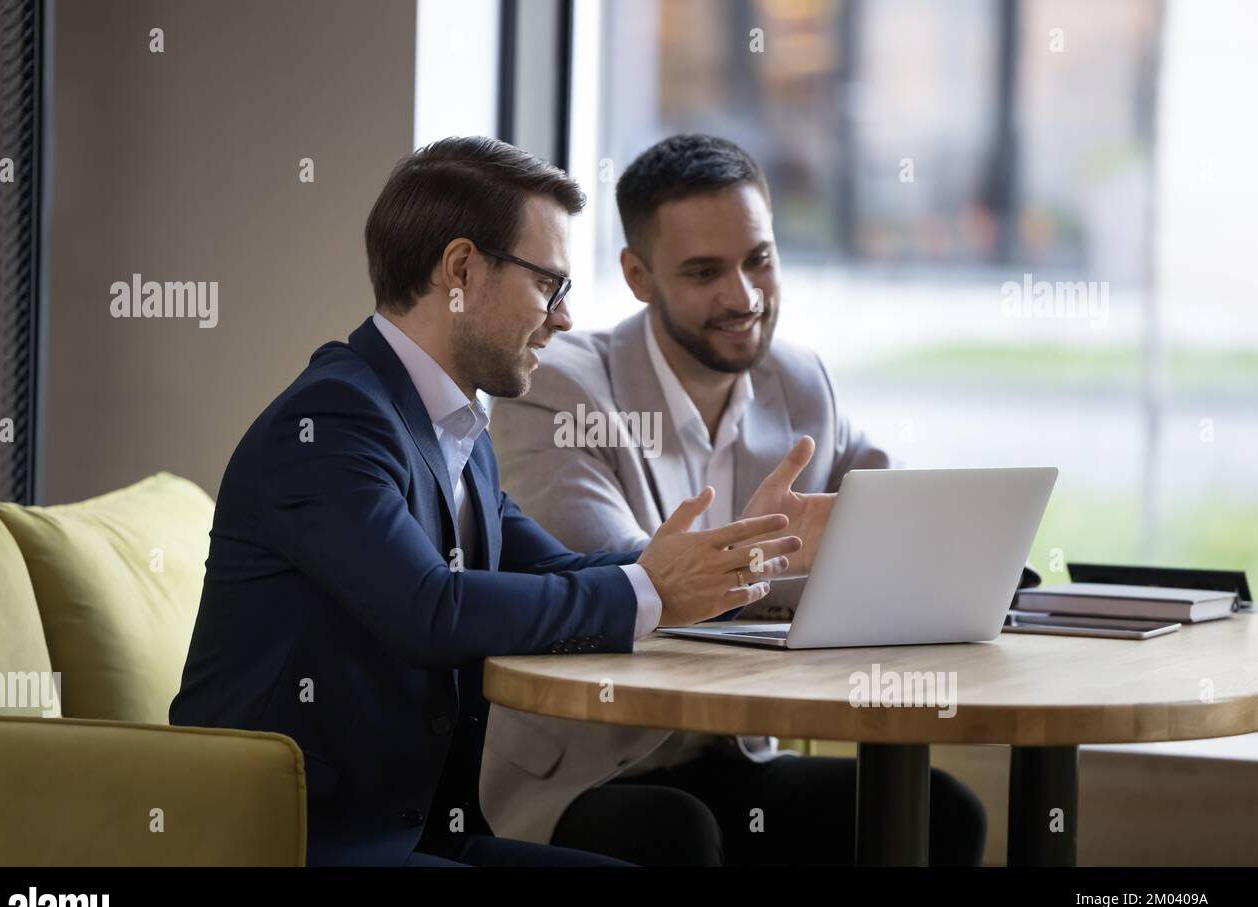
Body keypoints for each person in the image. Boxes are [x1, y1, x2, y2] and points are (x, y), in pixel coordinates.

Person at [169, 135, 814, 867]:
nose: (564, 318)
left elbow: (558, 569)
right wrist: (652, 590)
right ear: (461, 270)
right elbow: (431, 610)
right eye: (550, 285)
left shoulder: (458, 430)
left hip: (415, 836)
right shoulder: (330, 422)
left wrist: (731, 560)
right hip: (293, 844)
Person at [481, 134, 988, 866]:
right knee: (677, 833)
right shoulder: (562, 388)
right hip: (595, 763)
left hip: (732, 753)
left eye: (759, 259)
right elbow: (624, 579)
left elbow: (904, 525)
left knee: (941, 814)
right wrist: (798, 562)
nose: (744, 297)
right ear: (638, 275)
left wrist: (964, 557)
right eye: (703, 272)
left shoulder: (799, 380)